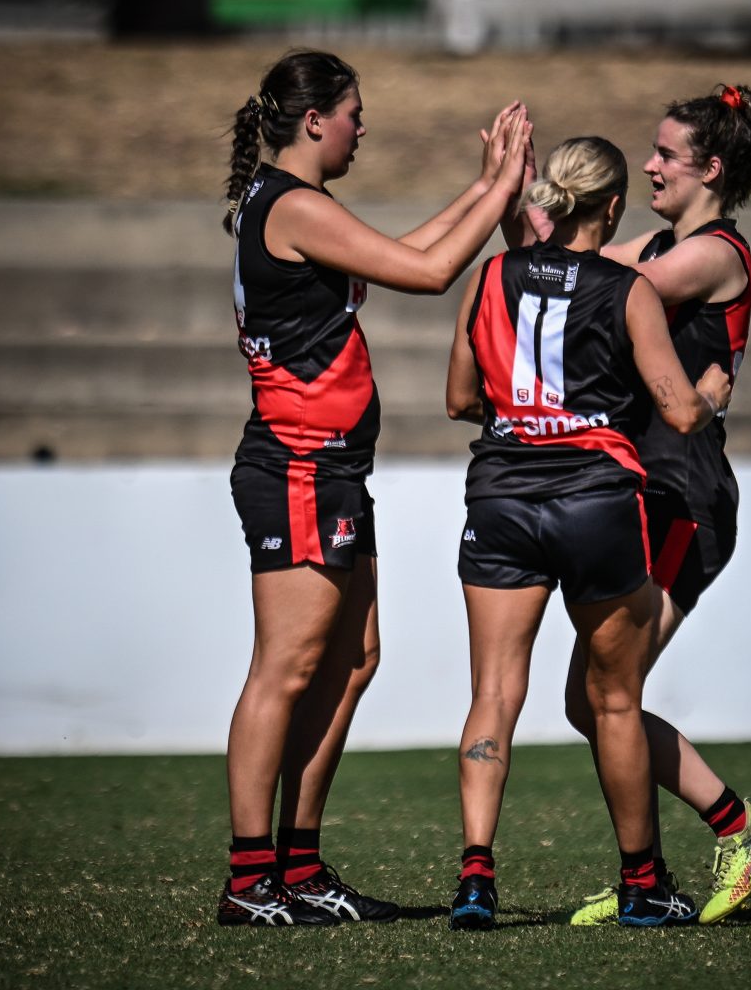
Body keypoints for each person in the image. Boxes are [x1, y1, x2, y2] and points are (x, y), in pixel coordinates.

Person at [217, 48, 531, 927]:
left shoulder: (297, 205)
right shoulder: (294, 206)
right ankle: (251, 883)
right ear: (315, 120)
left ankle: (301, 866)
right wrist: (502, 193)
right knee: (285, 670)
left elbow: (408, 254)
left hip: (329, 469)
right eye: (355, 114)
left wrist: (486, 187)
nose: (362, 128)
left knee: (352, 662)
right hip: (299, 464)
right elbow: (431, 276)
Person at [444, 136, 732, 930]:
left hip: (500, 497)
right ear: (611, 209)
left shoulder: (491, 275)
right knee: (613, 701)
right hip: (597, 504)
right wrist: (711, 392)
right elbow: (677, 411)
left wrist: (526, 414)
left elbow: (460, 398)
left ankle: (475, 878)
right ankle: (642, 884)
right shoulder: (626, 288)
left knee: (494, 694)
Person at [562, 85, 751, 927]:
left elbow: (599, 282)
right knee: (591, 701)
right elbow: (584, 261)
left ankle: (732, 835)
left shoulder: (713, 252)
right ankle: (656, 873)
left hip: (682, 496)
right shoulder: (659, 240)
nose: (651, 164)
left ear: (713, 169)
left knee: (606, 695)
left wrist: (545, 248)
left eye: (665, 153)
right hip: (639, 491)